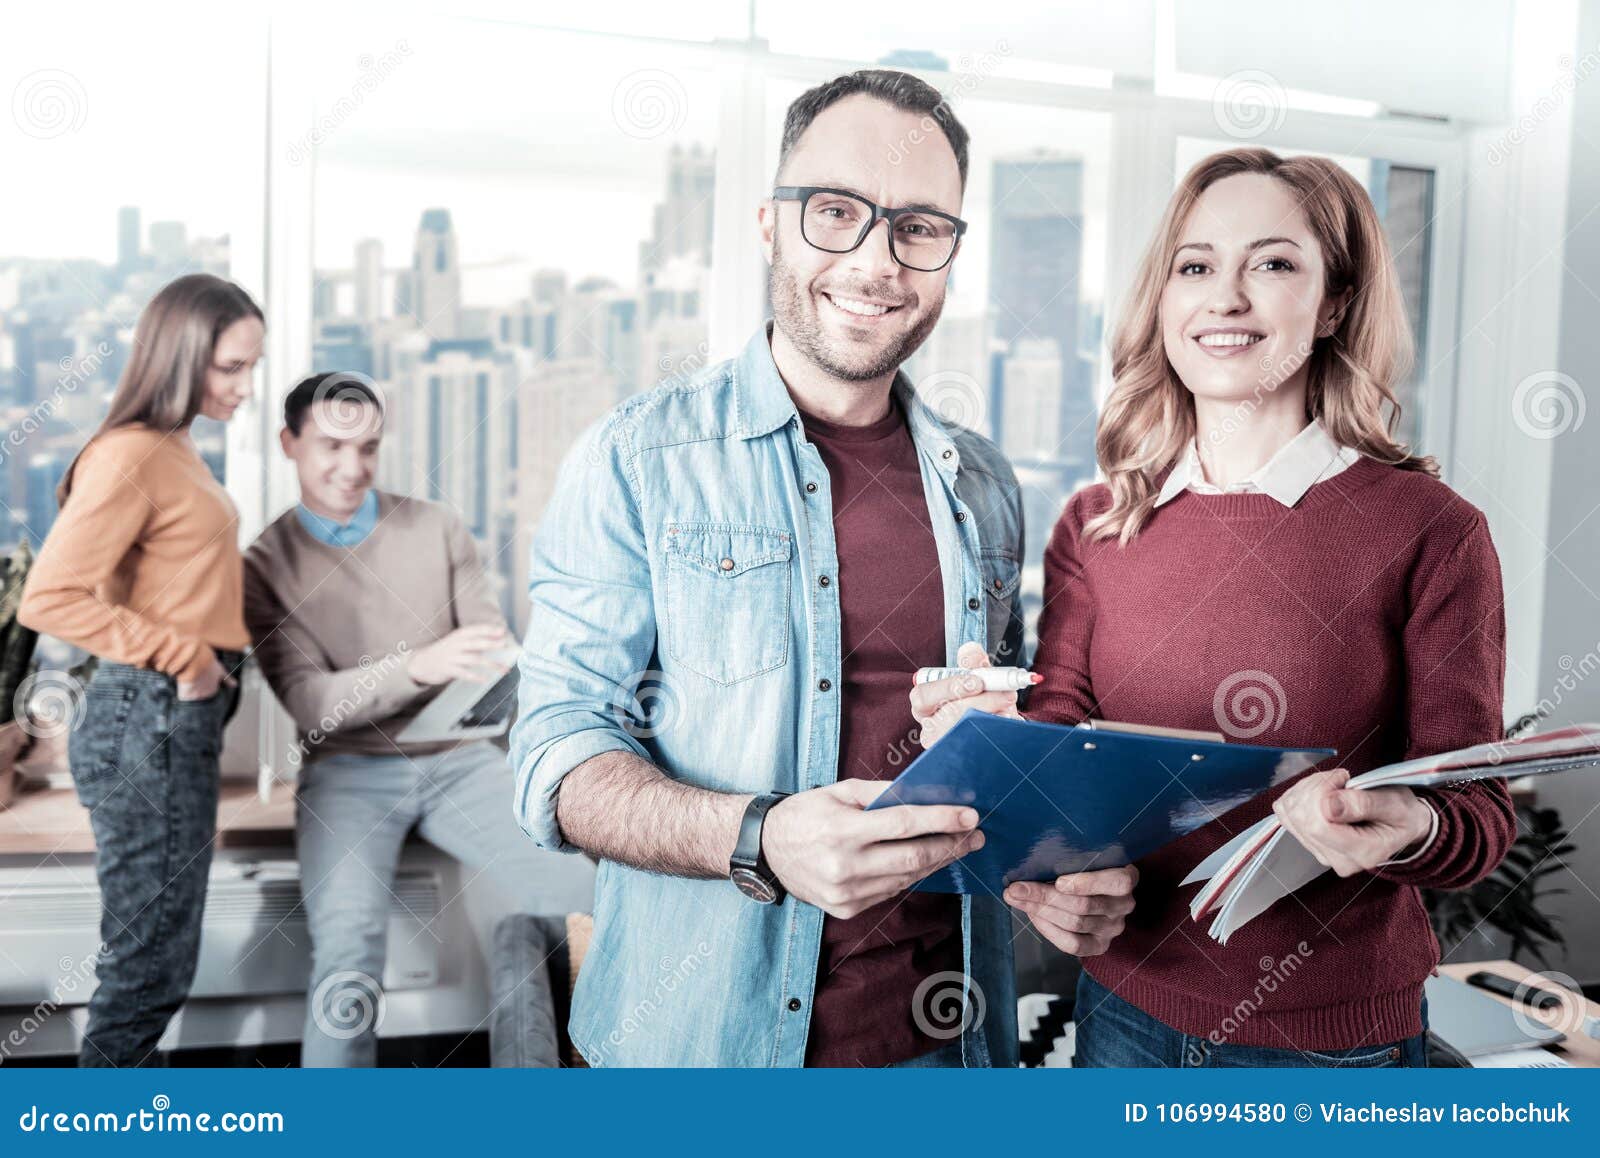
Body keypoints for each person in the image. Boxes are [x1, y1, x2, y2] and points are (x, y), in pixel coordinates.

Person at [512, 68, 1134, 1069]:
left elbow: (993, 755)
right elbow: (553, 750)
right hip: (699, 1056)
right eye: (836, 212)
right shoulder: (637, 458)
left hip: (946, 1050)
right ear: (769, 225)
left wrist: (1048, 856)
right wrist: (760, 837)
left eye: (919, 228)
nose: (877, 262)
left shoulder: (981, 483)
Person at [912, 147, 1515, 1068]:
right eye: (1196, 267)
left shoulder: (1432, 531)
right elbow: (1068, 739)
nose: (1225, 298)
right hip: (1122, 1012)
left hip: (1326, 1051)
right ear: (1165, 302)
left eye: (1272, 264)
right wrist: (1002, 757)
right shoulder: (1099, 521)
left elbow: (1475, 810)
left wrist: (1413, 827)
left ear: (1335, 303)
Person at [242, 371, 594, 1067]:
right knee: (348, 965)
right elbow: (312, 703)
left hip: (459, 763)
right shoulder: (263, 565)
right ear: (289, 443)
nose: (352, 468)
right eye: (331, 447)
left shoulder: (436, 527)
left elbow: (489, 647)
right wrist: (422, 665)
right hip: (348, 773)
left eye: (368, 447)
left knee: (589, 892)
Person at [19, 273, 264, 1066]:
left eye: (251, 367)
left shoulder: (173, 445)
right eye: (231, 367)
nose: (246, 386)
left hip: (170, 720)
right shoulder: (130, 453)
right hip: (145, 718)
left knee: (151, 956)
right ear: (181, 356)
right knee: (149, 965)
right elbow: (46, 597)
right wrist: (184, 654)